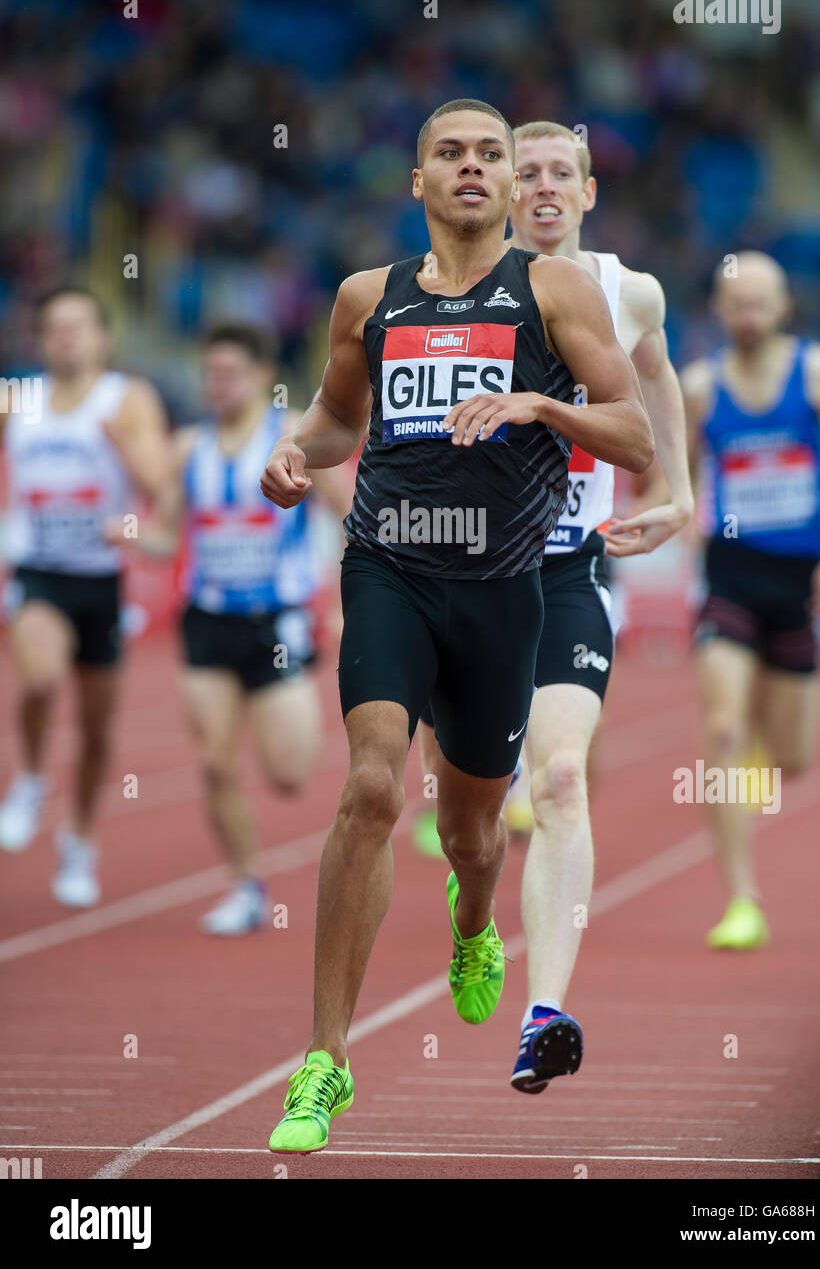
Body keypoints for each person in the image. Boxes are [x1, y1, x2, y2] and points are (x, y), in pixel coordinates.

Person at [258, 98, 654, 1153]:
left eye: (491, 154)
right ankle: (324, 1062)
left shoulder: (552, 289)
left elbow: (635, 432)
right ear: (417, 181)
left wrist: (541, 408)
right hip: (390, 567)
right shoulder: (367, 298)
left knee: (476, 832)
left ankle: (472, 926)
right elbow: (340, 417)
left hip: (504, 585)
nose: (476, 167)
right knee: (375, 783)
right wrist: (297, 454)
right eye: (452, 154)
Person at [417, 119, 693, 1094]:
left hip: (568, 572)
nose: (537, 186)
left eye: (556, 173)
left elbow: (655, 381)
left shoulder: (632, 292)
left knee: (563, 779)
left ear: (585, 193)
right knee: (469, 823)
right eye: (520, 170)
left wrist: (679, 493)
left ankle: (545, 1015)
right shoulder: (449, 294)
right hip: (459, 579)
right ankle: (472, 909)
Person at [112, 321, 352, 934]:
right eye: (210, 374)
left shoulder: (295, 434)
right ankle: (246, 885)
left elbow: (351, 517)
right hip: (208, 619)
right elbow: (166, 535)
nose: (217, 385)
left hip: (277, 623)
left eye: (230, 373)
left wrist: (347, 604)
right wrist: (132, 535)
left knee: (290, 773)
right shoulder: (187, 447)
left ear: (261, 376)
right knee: (216, 764)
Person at [681, 251, 820, 948]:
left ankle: (765, 749)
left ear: (782, 307)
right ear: (719, 311)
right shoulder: (699, 385)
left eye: (759, 304)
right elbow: (685, 472)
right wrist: (690, 520)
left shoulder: (819, 373)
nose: (747, 316)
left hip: (800, 579)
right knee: (723, 731)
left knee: (791, 760)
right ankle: (741, 899)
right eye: (735, 304)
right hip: (727, 575)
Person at [0, 287, 168, 905]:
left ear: (103, 337)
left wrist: (122, 447)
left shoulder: (125, 399)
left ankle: (79, 840)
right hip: (39, 570)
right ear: (39, 339)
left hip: (101, 578)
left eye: (78, 327)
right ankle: (32, 779)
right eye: (53, 328)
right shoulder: (17, 398)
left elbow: (158, 487)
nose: (65, 337)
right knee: (41, 681)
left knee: (97, 732)